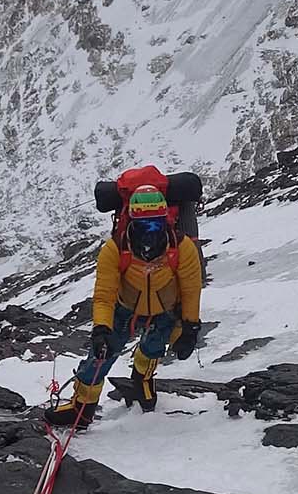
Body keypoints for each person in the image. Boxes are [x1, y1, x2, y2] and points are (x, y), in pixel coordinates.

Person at [45, 182, 202, 430]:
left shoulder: (182, 248)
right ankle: (82, 409)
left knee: (153, 349)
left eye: (156, 224)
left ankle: (142, 380)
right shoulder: (115, 249)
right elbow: (105, 295)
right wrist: (101, 330)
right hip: (125, 309)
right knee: (100, 357)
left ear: (166, 220)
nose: (150, 232)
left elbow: (191, 290)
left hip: (165, 311)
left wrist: (190, 327)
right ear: (131, 222)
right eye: (143, 225)